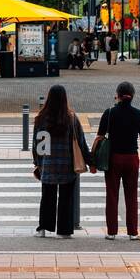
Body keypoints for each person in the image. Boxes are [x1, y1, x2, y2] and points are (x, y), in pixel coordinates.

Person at [32, 84, 94, 238]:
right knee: (66, 198)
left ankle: (44, 228)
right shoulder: (71, 118)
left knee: (47, 197)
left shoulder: (41, 118)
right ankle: (64, 231)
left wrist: (38, 164)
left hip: (48, 165)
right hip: (67, 165)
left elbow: (38, 146)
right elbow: (81, 142)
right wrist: (90, 161)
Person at [94, 81, 140, 240]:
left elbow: (99, 137)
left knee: (112, 195)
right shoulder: (139, 114)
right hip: (132, 159)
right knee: (132, 196)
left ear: (117, 95)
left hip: (113, 158)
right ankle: (132, 232)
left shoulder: (109, 113)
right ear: (133, 96)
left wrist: (93, 159)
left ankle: (111, 232)